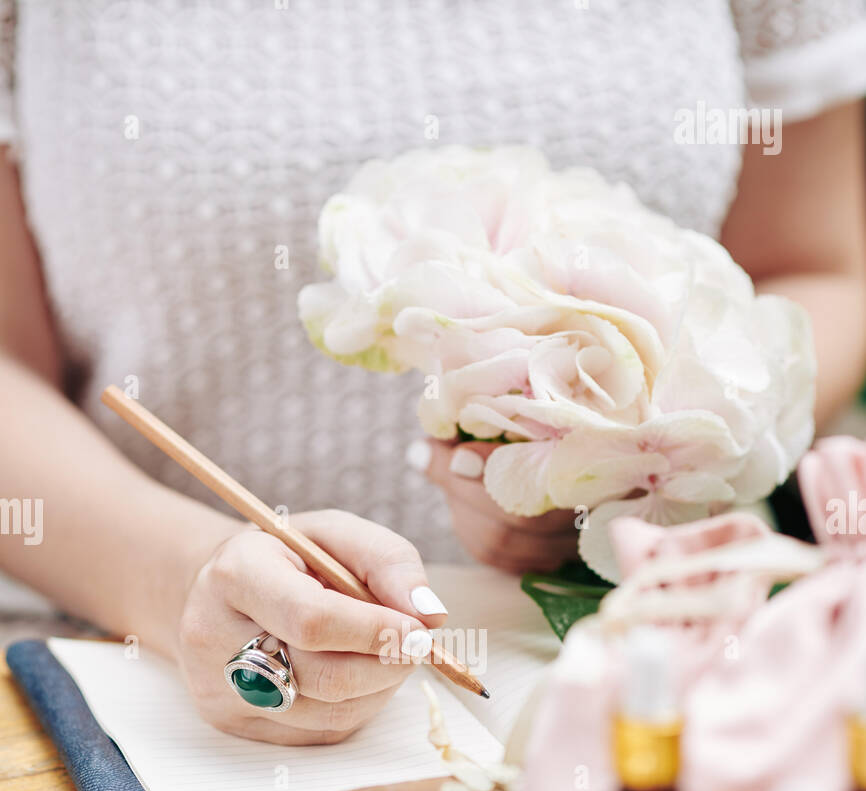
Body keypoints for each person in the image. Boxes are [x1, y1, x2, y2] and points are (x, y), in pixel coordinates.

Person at [0, 0, 864, 745]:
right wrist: (182, 576)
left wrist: (624, 464)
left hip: (639, 694)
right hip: (131, 697)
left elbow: (816, 268)